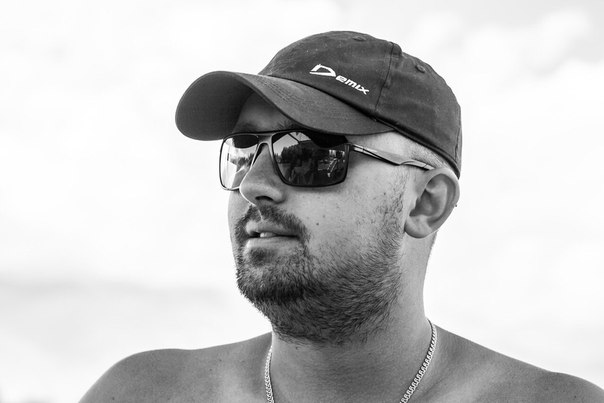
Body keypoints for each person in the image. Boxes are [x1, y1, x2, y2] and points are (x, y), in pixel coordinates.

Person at [80, 31, 604, 403]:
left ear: (426, 203)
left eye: (309, 152)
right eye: (244, 149)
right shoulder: (141, 392)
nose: (255, 184)